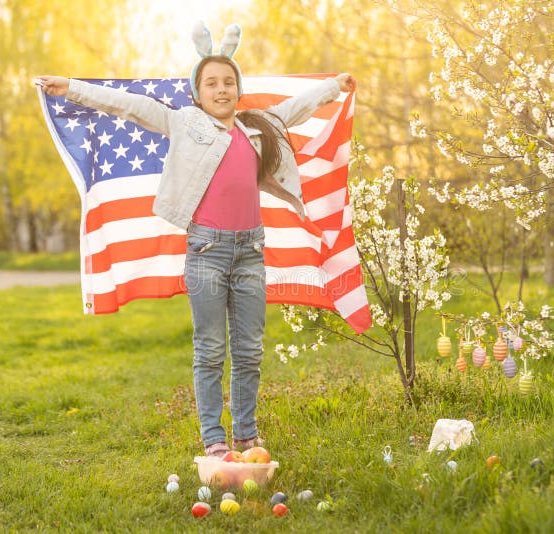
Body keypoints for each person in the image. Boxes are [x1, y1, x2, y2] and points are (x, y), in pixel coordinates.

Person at [37, 23, 355, 457]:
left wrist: (333, 87)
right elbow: (126, 105)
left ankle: (246, 434)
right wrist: (70, 87)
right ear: (197, 92)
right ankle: (214, 441)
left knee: (248, 351)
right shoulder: (183, 122)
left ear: (238, 89)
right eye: (211, 83)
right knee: (210, 350)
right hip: (206, 251)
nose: (221, 90)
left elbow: (297, 107)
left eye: (228, 82)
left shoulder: (257, 126)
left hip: (250, 253)